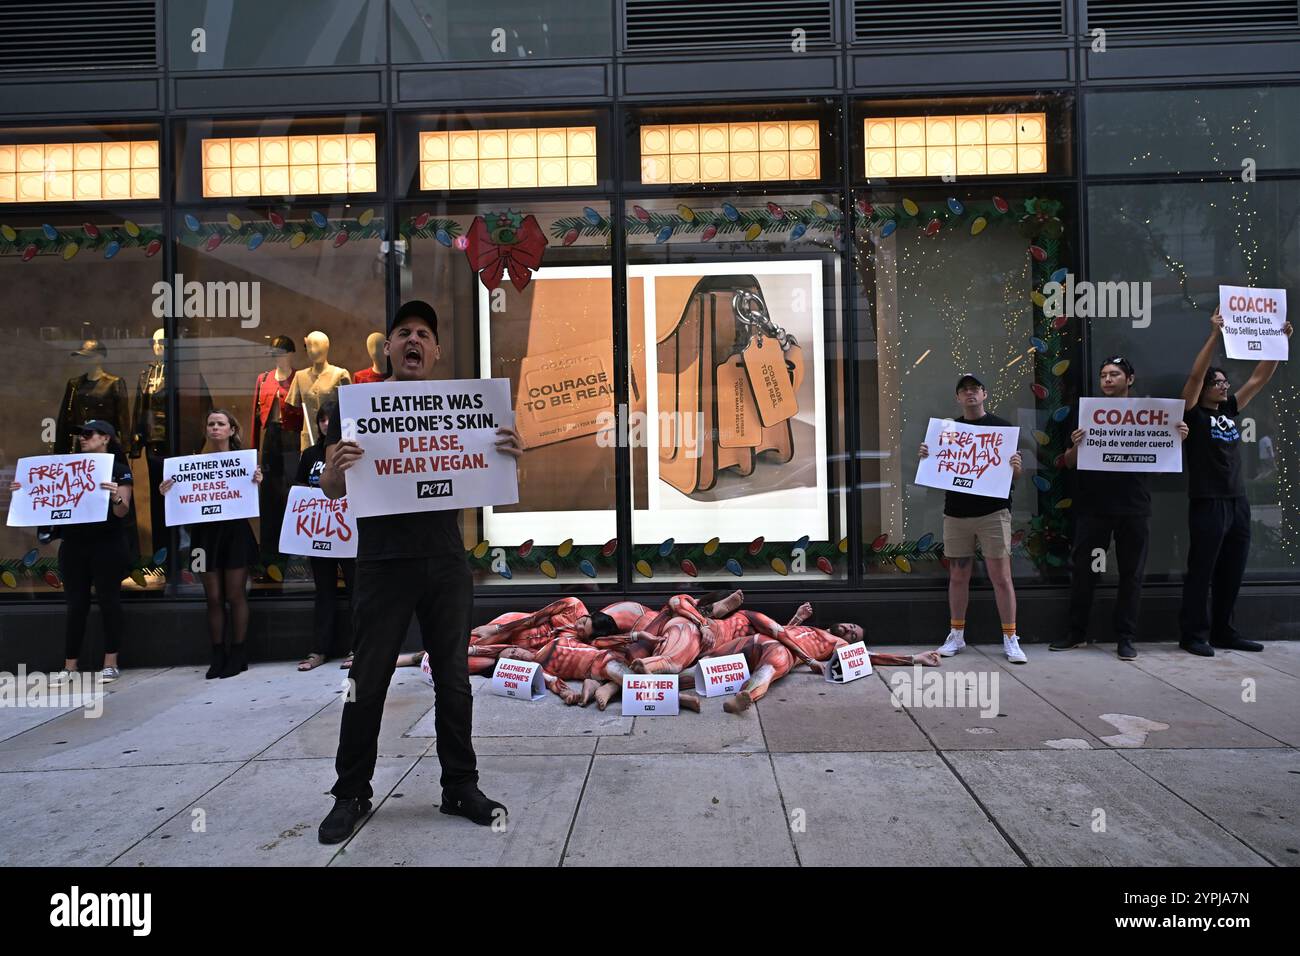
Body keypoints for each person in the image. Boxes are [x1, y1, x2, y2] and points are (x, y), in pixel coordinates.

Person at [317, 299, 523, 845]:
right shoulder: (358, 406)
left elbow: (487, 472)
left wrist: (506, 454)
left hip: (445, 560)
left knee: (453, 679)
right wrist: (333, 472)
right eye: (403, 332)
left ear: (434, 351)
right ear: (387, 347)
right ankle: (350, 792)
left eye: (423, 334)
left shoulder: (460, 407)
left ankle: (460, 785)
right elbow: (333, 489)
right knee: (366, 681)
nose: (413, 341)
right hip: (383, 563)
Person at [1051, 356, 1189, 659]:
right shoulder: (1086, 413)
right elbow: (1070, 461)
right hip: (1093, 505)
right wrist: (1075, 445)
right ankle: (1076, 633)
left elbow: (1164, 463)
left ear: (1130, 379)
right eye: (1103, 375)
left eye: (1114, 374)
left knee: (1132, 574)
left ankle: (1126, 637)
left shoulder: (1149, 413)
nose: (1108, 380)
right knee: (1084, 572)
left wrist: (1176, 438)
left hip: (1134, 506)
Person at [1178, 308, 1292, 656]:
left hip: (1236, 499)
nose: (1223, 386)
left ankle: (1223, 631)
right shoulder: (1192, 413)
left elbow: (1259, 379)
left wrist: (1278, 342)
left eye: (1225, 382)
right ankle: (1193, 635)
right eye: (1217, 382)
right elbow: (1196, 377)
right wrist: (1215, 335)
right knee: (1202, 570)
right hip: (1208, 499)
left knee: (1232, 568)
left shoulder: (1229, 409)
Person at [12, 421, 133, 684]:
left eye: (89, 434)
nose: (82, 438)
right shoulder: (67, 468)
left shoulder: (120, 470)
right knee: (76, 605)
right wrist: (23, 492)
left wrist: (114, 497)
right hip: (74, 544)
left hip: (107, 543)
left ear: (106, 439)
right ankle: (70, 666)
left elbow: (122, 511)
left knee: (109, 600)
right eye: (80, 434)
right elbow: (45, 495)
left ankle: (110, 662)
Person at [919, 373, 1026, 663]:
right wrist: (928, 456)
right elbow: (937, 469)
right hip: (956, 512)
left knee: (1001, 577)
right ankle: (956, 634)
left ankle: (1010, 636)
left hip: (993, 512)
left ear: (985, 394)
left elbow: (1012, 477)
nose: (970, 394)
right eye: (964, 390)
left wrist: (1016, 467)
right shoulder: (948, 431)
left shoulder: (1002, 429)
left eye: (975, 389)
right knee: (958, 575)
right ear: (957, 397)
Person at [161, 409, 263, 679]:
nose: (215, 428)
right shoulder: (192, 464)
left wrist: (257, 482)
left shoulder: (244, 462)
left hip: (235, 534)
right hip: (203, 537)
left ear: (231, 430)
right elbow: (181, 499)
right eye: (211, 424)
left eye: (220, 423)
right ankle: (218, 653)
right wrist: (168, 490)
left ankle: (239, 652)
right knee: (213, 597)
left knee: (235, 594)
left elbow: (250, 498)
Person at [295, 401, 355, 671]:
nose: (327, 424)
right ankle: (319, 651)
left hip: (349, 534)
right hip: (320, 533)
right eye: (322, 420)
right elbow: (298, 488)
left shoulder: (352, 453)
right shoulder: (309, 455)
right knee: (324, 593)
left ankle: (358, 648)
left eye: (332, 420)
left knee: (357, 592)